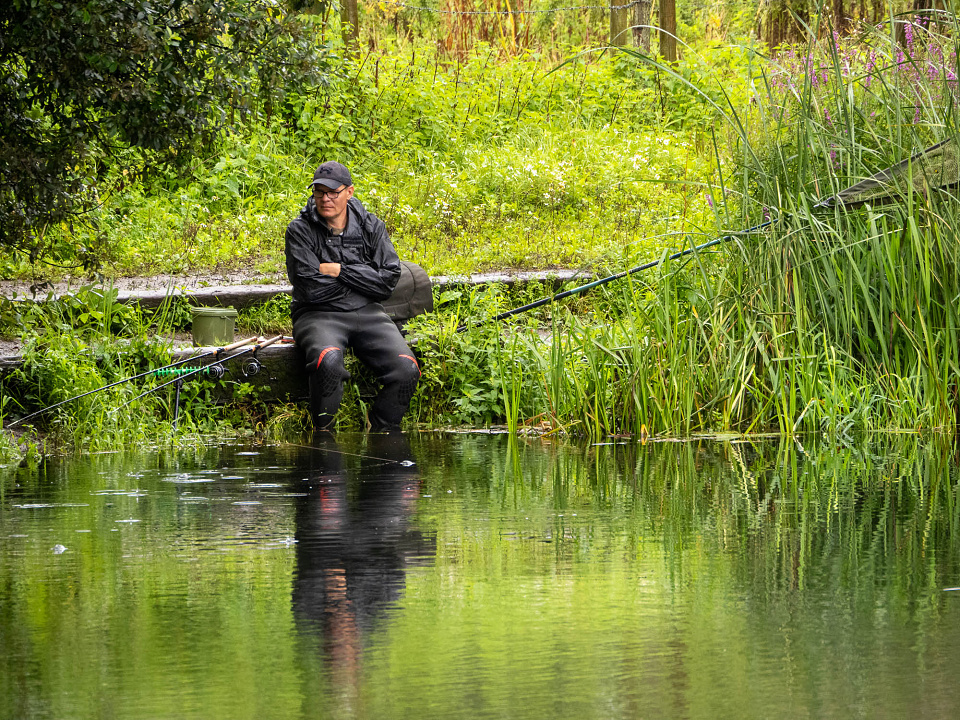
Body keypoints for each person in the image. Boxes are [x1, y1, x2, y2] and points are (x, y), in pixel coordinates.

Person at [285, 161, 420, 431]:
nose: (325, 199)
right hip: (317, 314)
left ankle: (381, 430)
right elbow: (310, 287)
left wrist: (339, 270)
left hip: (369, 313)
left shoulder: (372, 226)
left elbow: (387, 282)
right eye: (319, 192)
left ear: (349, 192)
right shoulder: (299, 230)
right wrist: (364, 279)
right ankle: (323, 439)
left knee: (407, 370)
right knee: (329, 360)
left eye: (333, 192)